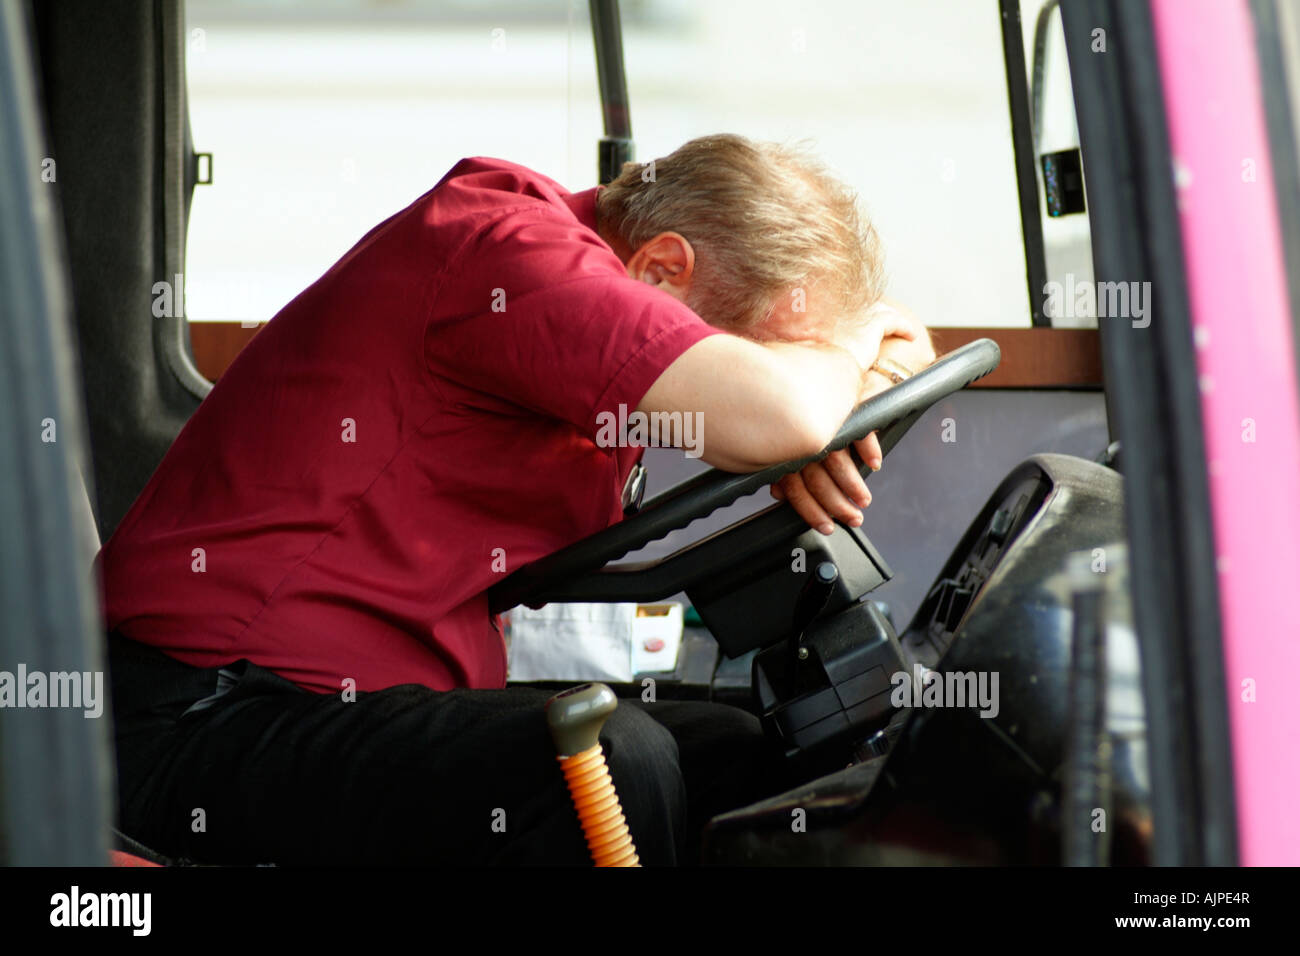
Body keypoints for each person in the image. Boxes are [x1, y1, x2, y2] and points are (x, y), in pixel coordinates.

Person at [98, 133, 935, 866]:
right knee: (610, 762)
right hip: (197, 717)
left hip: (340, 705)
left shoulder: (591, 286)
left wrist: (838, 386)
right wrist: (831, 377)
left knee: (746, 751)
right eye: (767, 354)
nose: (787, 379)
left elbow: (888, 347)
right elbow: (784, 409)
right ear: (662, 271)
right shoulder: (507, 250)